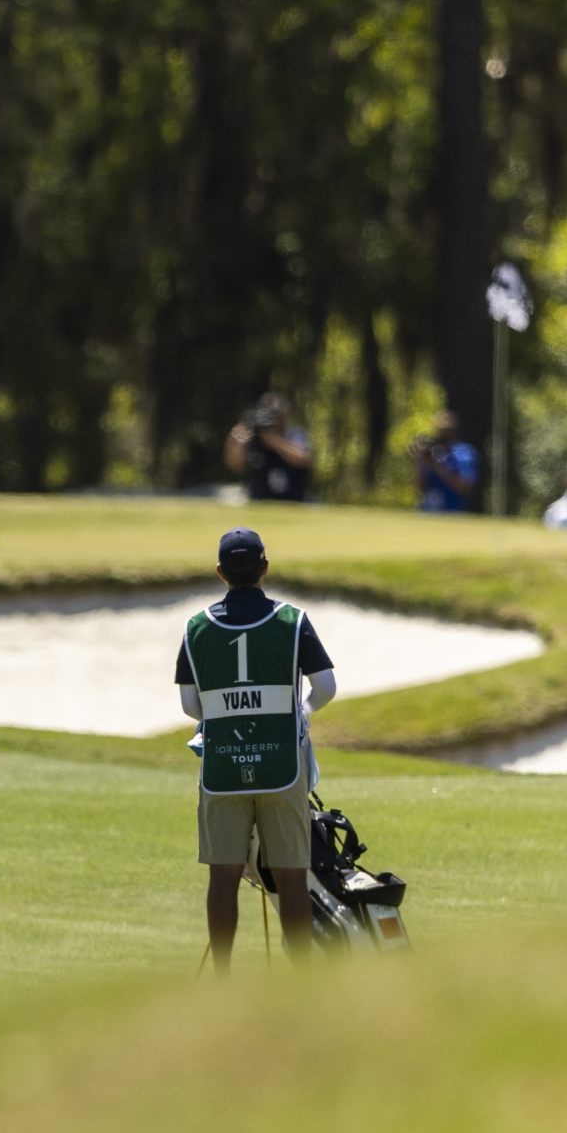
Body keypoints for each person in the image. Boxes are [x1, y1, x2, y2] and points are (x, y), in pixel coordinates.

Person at [176, 528, 338, 975]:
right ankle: (302, 978)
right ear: (265, 568)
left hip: (223, 768)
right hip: (283, 767)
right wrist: (298, 712)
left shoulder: (196, 627)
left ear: (220, 572)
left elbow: (191, 705)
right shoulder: (293, 620)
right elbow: (325, 687)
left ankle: (224, 979)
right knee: (291, 877)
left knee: (223, 875)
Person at [223, 392, 313, 503]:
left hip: (293, 500)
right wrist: (235, 441)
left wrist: (275, 442)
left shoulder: (294, 434)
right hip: (258, 501)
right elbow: (236, 465)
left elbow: (304, 459)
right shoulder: (254, 439)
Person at [409, 410, 478, 513]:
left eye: (447, 430)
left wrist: (438, 467)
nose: (443, 434)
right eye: (441, 430)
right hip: (428, 511)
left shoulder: (464, 453)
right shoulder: (432, 451)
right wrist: (420, 461)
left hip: (453, 512)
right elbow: (418, 489)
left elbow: (465, 487)